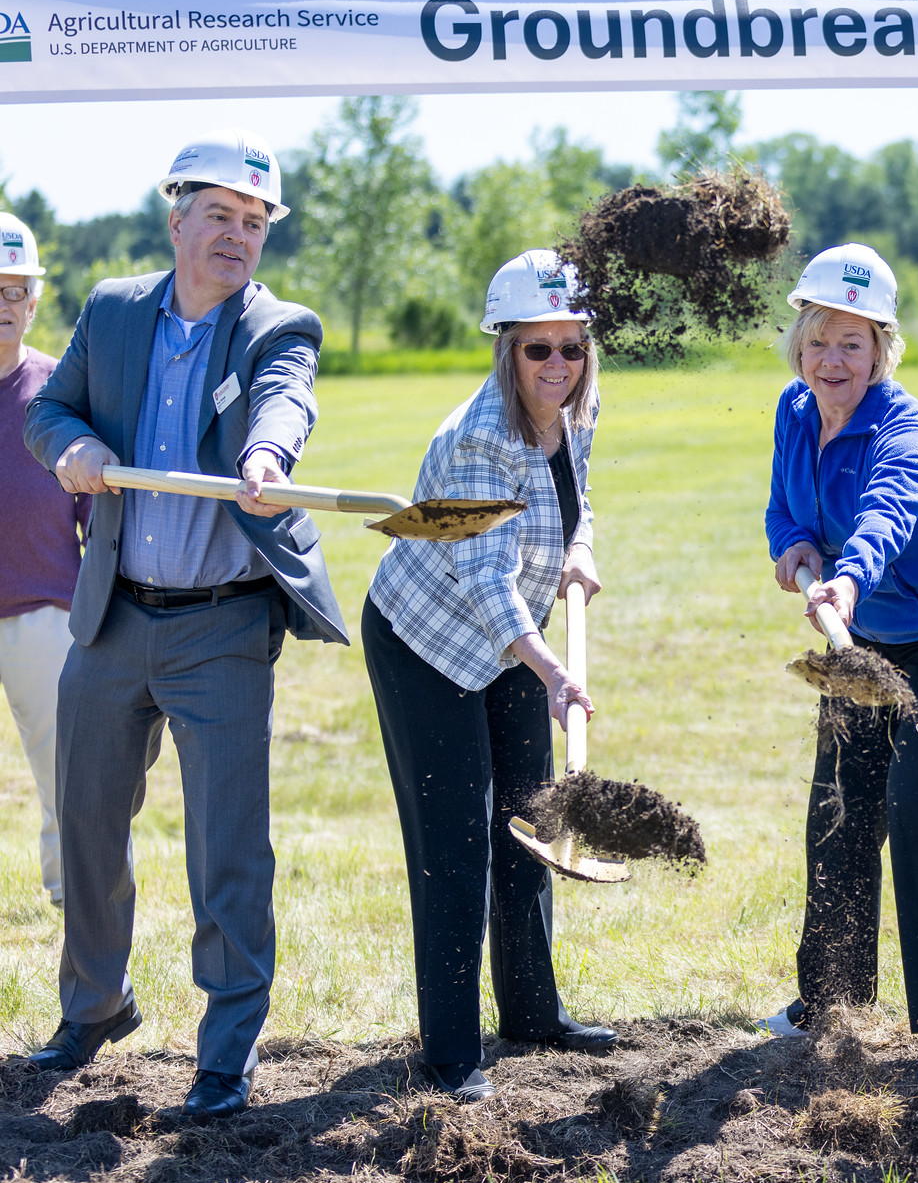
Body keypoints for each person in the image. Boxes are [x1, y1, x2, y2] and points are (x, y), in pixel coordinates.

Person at [21, 129, 344, 1120]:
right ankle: (94, 1006)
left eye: (253, 221)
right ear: (177, 221)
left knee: (226, 849)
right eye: (219, 215)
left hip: (223, 627)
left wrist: (267, 459)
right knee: (85, 822)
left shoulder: (277, 325)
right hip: (113, 617)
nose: (237, 235)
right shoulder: (115, 311)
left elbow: (284, 401)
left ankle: (227, 1051)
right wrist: (73, 445)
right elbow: (49, 411)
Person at [760, 243, 918, 1087]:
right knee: (839, 806)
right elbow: (785, 508)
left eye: (853, 343)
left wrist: (847, 578)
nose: (833, 360)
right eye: (820, 340)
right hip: (865, 634)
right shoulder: (795, 411)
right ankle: (832, 999)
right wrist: (795, 547)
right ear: (799, 343)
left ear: (881, 350)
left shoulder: (905, 430)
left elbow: (886, 515)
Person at [363, 250, 614, 1104]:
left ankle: (534, 1015)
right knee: (456, 843)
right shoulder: (480, 437)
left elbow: (578, 496)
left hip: (512, 638)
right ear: (506, 348)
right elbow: (484, 578)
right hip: (429, 641)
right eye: (538, 348)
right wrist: (551, 668)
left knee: (528, 818)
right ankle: (449, 1053)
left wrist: (580, 550)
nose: (557, 365)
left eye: (572, 347)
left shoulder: (577, 406)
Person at [0, 211, 86, 907]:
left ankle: (76, 899)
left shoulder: (60, 392)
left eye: (14, 290)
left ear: (34, 301)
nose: (3, 303)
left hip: (46, 612)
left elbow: (99, 513)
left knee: (69, 770)